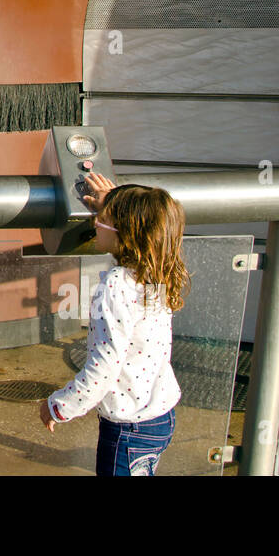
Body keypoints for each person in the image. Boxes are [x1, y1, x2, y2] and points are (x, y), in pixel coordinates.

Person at [38, 172, 190, 476]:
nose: (95, 222)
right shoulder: (156, 271)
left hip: (128, 430)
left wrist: (60, 405)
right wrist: (114, 201)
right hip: (160, 416)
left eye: (103, 218)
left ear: (126, 232)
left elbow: (103, 367)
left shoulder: (116, 285)